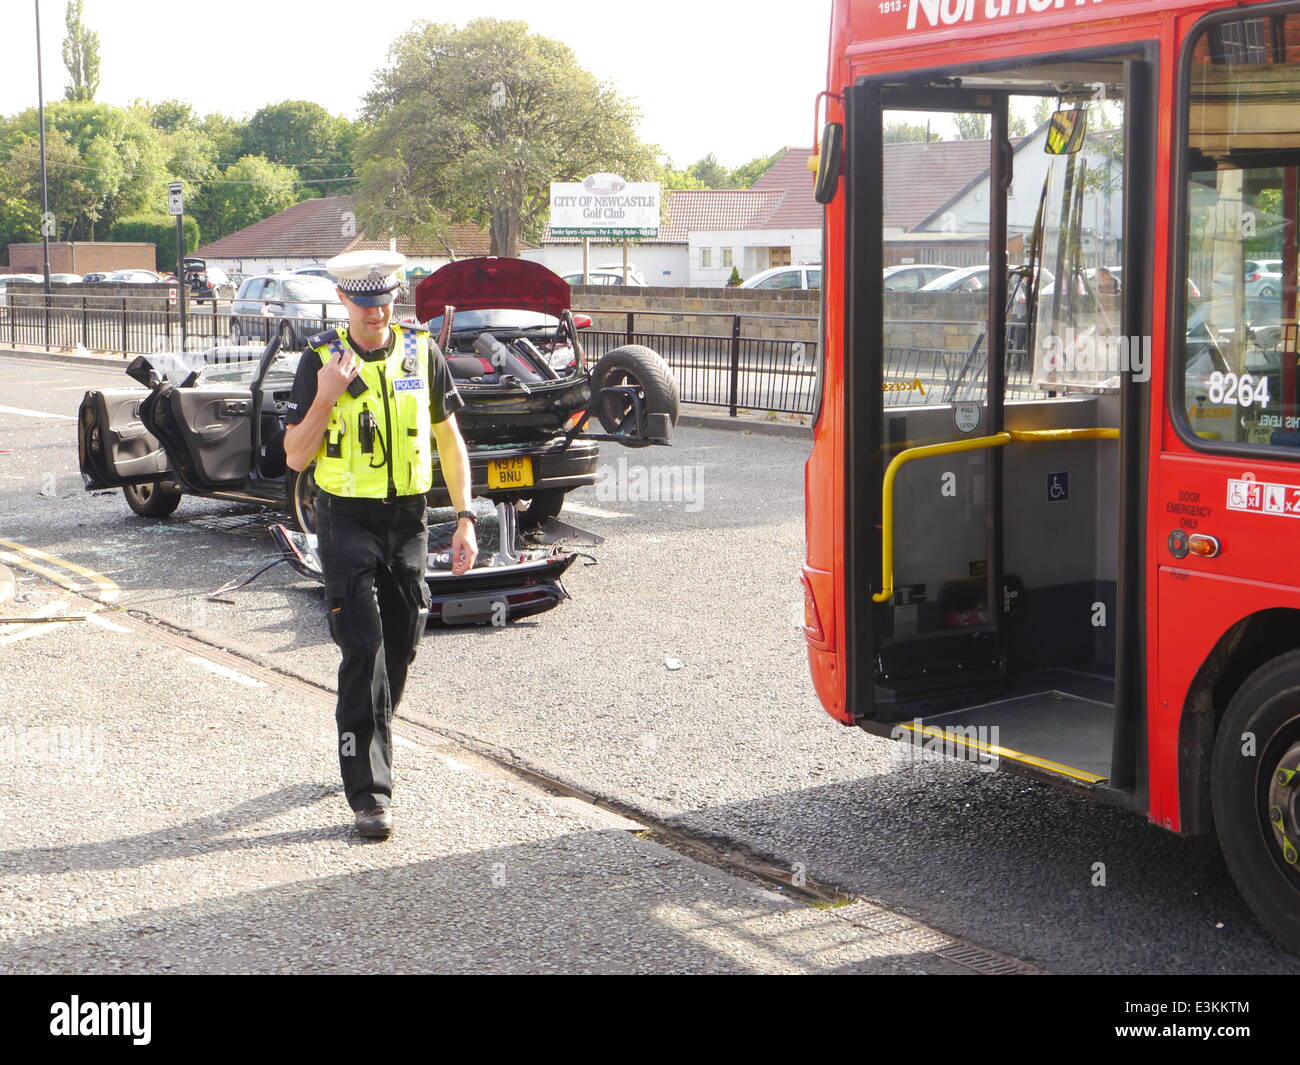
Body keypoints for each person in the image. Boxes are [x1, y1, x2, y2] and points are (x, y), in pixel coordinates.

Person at [283, 250, 477, 840]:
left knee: (402, 643)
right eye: (365, 304)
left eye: (385, 301)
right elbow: (294, 455)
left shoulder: (421, 351)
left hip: (409, 520)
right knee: (363, 648)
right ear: (344, 301)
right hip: (346, 521)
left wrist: (465, 517)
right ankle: (369, 793)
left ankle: (368, 734)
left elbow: (450, 440)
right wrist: (325, 395)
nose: (376, 313)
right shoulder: (321, 359)